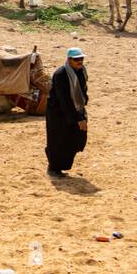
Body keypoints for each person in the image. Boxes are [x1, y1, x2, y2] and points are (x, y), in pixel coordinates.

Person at [46, 46, 89, 177]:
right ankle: (54, 168)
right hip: (58, 112)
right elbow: (65, 100)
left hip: (75, 109)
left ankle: (62, 166)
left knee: (77, 138)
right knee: (58, 141)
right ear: (69, 60)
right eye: (76, 59)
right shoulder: (61, 74)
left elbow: (82, 90)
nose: (79, 61)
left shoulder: (81, 71)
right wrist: (78, 118)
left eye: (81, 58)